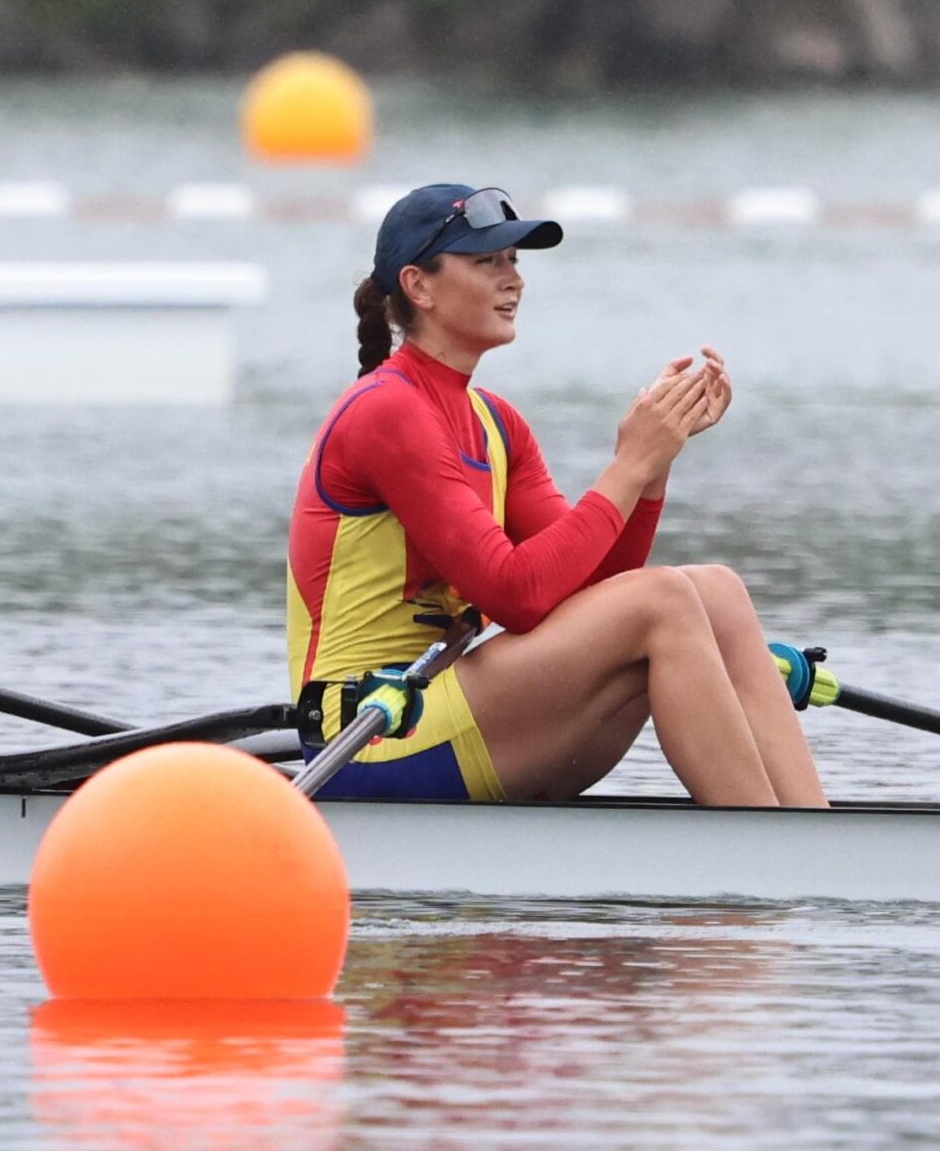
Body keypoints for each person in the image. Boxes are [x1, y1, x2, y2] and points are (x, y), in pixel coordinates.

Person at [287, 183, 825, 808]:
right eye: (487, 261)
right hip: (365, 739)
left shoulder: (496, 422)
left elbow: (589, 591)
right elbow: (515, 595)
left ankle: (815, 836)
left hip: (452, 712)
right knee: (664, 599)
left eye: (514, 261)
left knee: (716, 591)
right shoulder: (385, 411)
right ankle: (771, 863)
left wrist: (653, 466)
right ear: (419, 286)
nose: (513, 279)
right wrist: (630, 464)